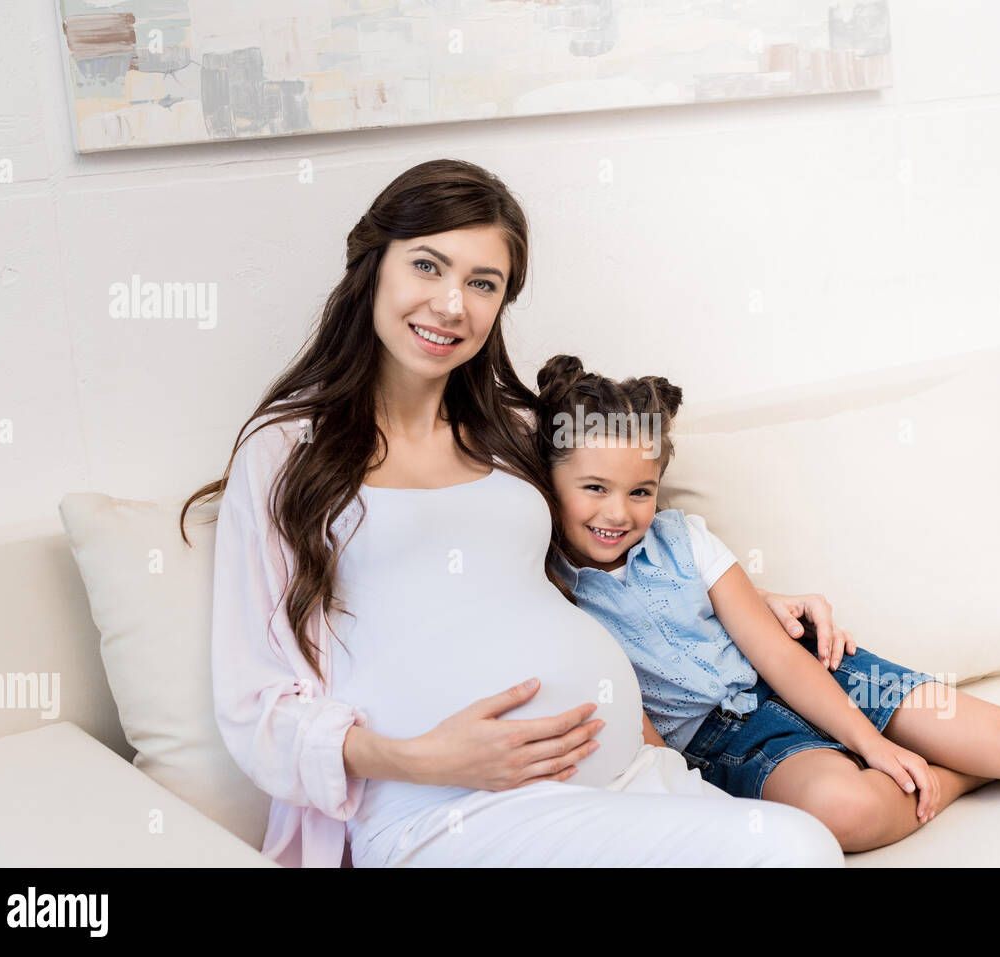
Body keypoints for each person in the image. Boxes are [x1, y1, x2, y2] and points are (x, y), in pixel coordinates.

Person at [181, 158, 842, 867]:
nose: (451, 305)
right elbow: (254, 704)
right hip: (445, 809)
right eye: (427, 266)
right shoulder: (287, 449)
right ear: (372, 266)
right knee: (794, 848)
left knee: (798, 843)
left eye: (483, 283)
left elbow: (609, 542)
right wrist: (423, 757)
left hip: (628, 779)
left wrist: (740, 597)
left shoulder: (512, 433)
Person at [532, 353, 1000, 853]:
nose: (619, 512)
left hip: (823, 677)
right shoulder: (544, 587)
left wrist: (875, 743)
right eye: (594, 487)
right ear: (548, 482)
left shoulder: (685, 539)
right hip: (726, 743)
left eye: (641, 490)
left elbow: (778, 656)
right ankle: (959, 773)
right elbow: (639, 736)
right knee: (845, 812)